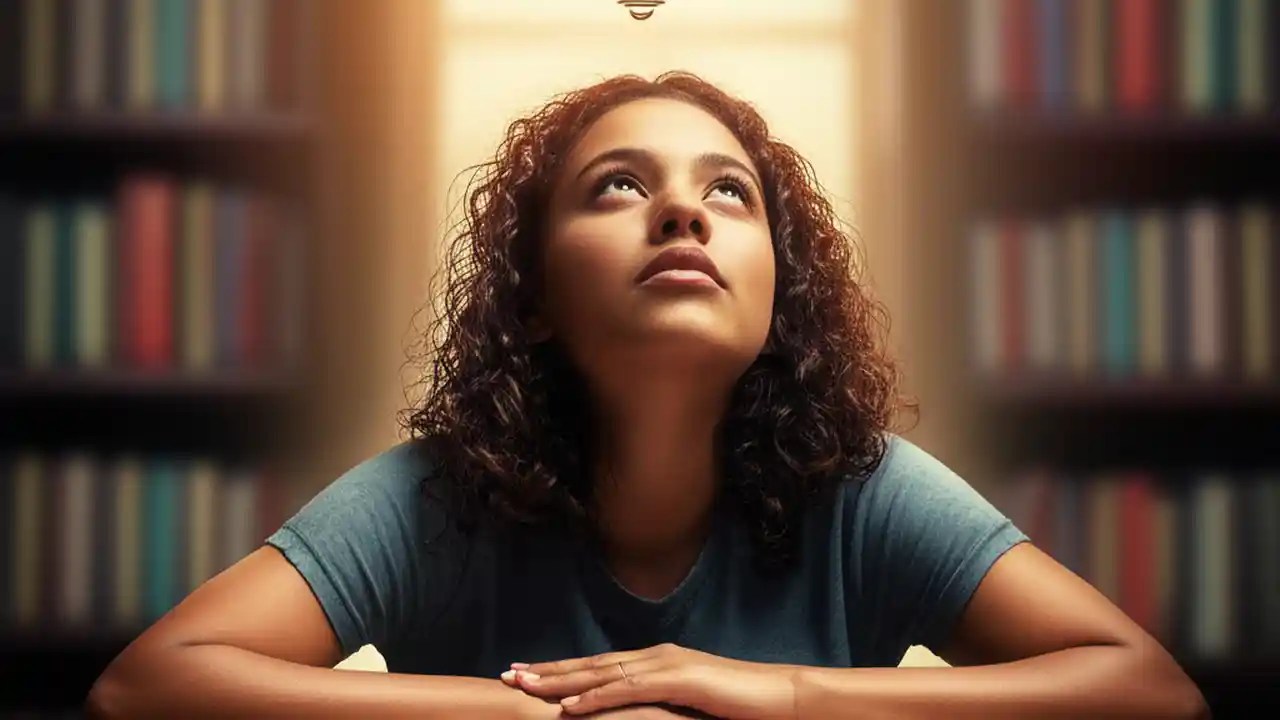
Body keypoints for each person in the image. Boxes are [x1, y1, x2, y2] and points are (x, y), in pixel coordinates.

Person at [86, 71, 1208, 720]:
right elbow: (145, 689)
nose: (682, 214)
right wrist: (553, 713)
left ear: (781, 292)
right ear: (530, 298)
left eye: (729, 193)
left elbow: (1149, 693)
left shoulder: (860, 493)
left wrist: (771, 696)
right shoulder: (440, 498)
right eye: (618, 185)